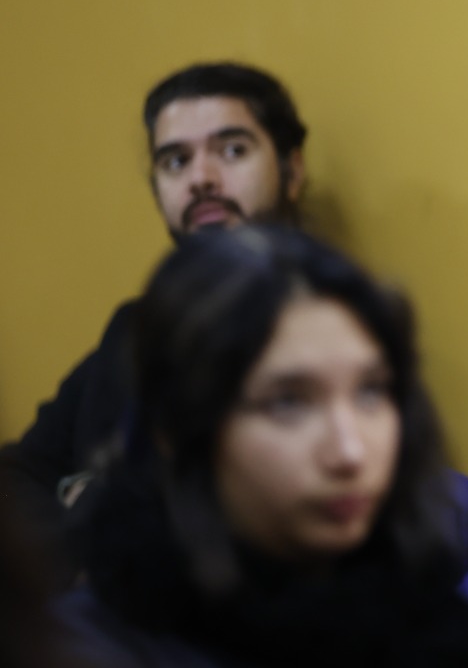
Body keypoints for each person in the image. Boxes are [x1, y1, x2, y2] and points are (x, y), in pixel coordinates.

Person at [58, 226, 468, 668]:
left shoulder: (462, 641)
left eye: (371, 392)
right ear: (177, 427)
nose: (350, 452)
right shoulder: (79, 661)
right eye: (288, 402)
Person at [0, 62, 307, 560]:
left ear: (292, 171)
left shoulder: (335, 329)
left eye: (232, 150)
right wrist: (76, 518)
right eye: (175, 161)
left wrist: (90, 503)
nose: (201, 179)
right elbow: (18, 474)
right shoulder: (134, 329)